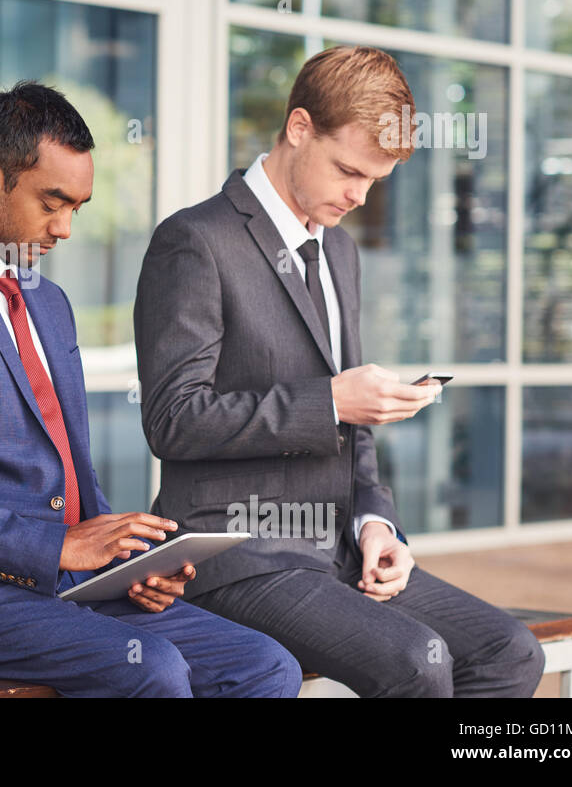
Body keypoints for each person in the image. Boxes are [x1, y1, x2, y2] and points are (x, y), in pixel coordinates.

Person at [0, 80, 302, 697]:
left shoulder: (48, 303)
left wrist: (126, 562)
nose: (65, 229)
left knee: (265, 666)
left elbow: (68, 475)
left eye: (77, 208)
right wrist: (54, 546)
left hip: (62, 584)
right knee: (150, 668)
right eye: (51, 202)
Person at [133, 46, 545, 697]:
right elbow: (172, 419)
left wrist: (376, 521)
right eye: (349, 170)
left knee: (510, 651)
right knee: (418, 658)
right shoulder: (196, 240)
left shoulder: (340, 250)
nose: (359, 195)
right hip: (240, 553)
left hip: (337, 549)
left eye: (375, 180)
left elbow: (354, 427)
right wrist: (327, 400)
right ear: (299, 128)